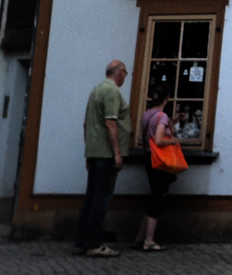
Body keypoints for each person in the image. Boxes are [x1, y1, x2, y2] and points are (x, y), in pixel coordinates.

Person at [76, 60, 131, 258]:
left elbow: (86, 124)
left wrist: (88, 152)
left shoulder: (95, 90)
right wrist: (117, 152)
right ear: (119, 73)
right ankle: (94, 244)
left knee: (91, 198)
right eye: (125, 72)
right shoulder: (112, 92)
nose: (125, 76)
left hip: (95, 152)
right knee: (101, 198)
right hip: (106, 154)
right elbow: (110, 123)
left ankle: (80, 242)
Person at [134, 90, 183, 251]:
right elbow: (160, 139)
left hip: (148, 158)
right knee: (158, 199)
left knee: (153, 197)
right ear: (167, 98)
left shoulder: (148, 114)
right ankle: (149, 240)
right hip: (160, 162)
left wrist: (173, 121)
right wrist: (174, 140)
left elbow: (152, 131)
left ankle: (140, 238)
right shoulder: (161, 116)